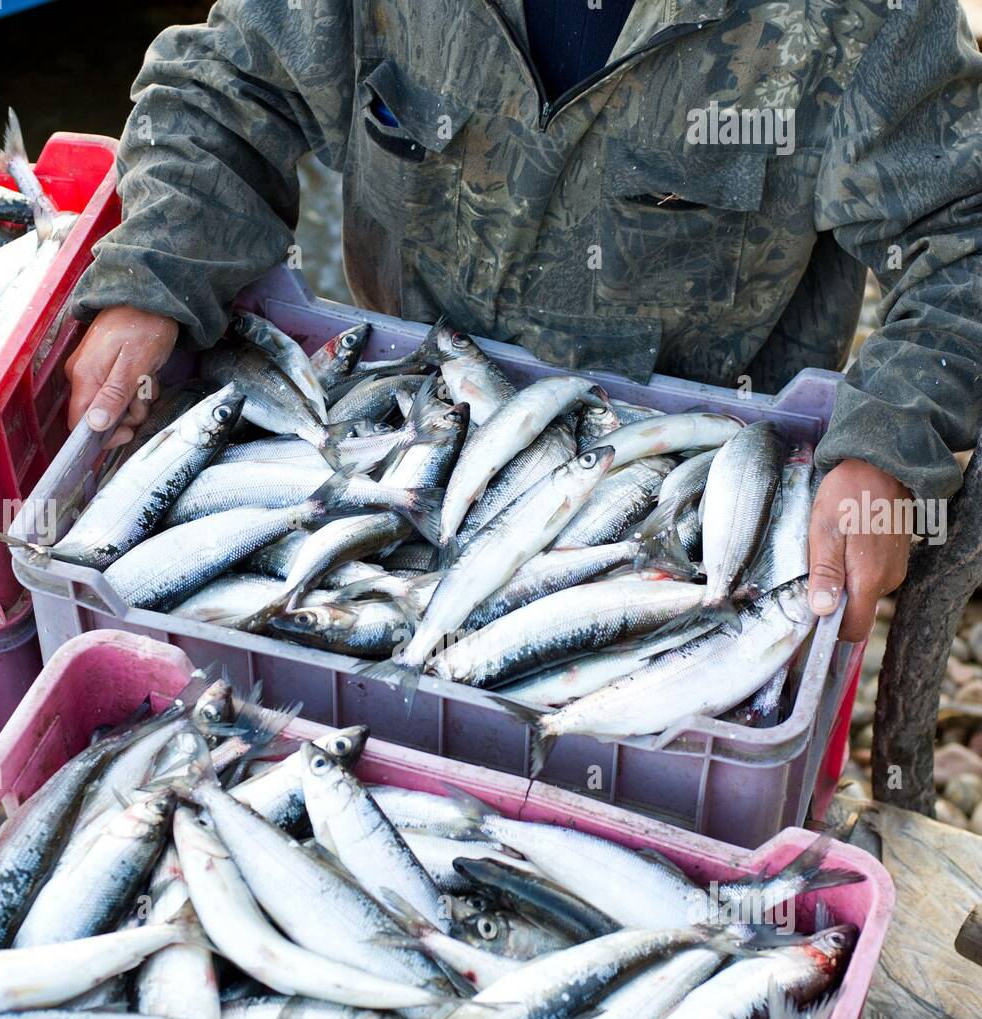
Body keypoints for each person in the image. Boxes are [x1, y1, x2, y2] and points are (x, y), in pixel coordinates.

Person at [66, 0, 982, 642]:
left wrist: (890, 442)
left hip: (696, 487)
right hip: (404, 413)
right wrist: (155, 276)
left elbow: (962, 230)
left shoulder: (869, 14)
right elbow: (231, 90)